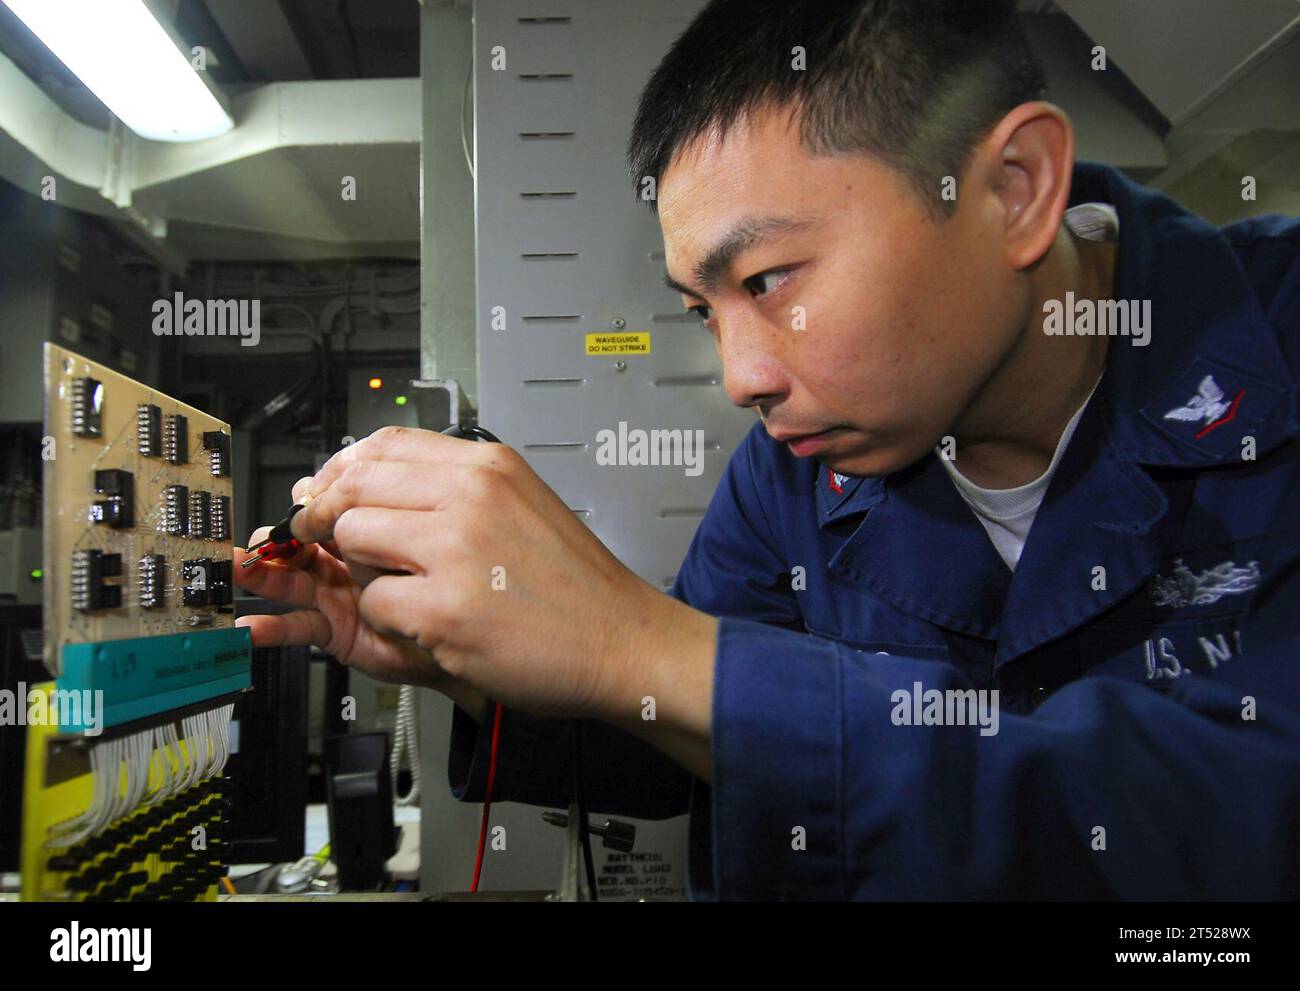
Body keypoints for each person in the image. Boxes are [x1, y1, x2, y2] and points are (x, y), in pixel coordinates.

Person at [234, 0, 1300, 899]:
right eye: (703, 306)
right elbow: (685, 736)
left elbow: (1240, 816)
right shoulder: (794, 469)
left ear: (1013, 187)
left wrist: (636, 638)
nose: (742, 376)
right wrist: (466, 658)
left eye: (769, 280)